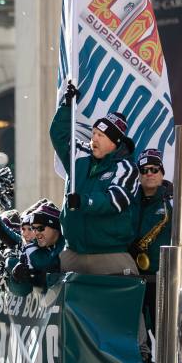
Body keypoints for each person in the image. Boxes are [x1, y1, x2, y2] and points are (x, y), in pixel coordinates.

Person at [49, 83, 140, 276]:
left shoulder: (126, 168)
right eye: (93, 134)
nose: (94, 139)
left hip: (109, 255)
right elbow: (58, 135)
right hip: (73, 251)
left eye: (101, 135)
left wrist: (83, 201)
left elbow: (114, 201)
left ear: (114, 142)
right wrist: (67, 106)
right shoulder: (80, 155)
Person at [130, 149, 172, 276]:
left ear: (162, 173)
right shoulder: (128, 200)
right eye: (144, 170)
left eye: (154, 169)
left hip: (163, 273)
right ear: (139, 176)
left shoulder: (173, 202)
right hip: (132, 271)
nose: (149, 173)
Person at [11, 202, 64, 289]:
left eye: (40, 228)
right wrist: (15, 276)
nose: (36, 233)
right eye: (33, 228)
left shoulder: (69, 243)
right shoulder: (35, 245)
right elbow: (21, 290)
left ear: (55, 227)